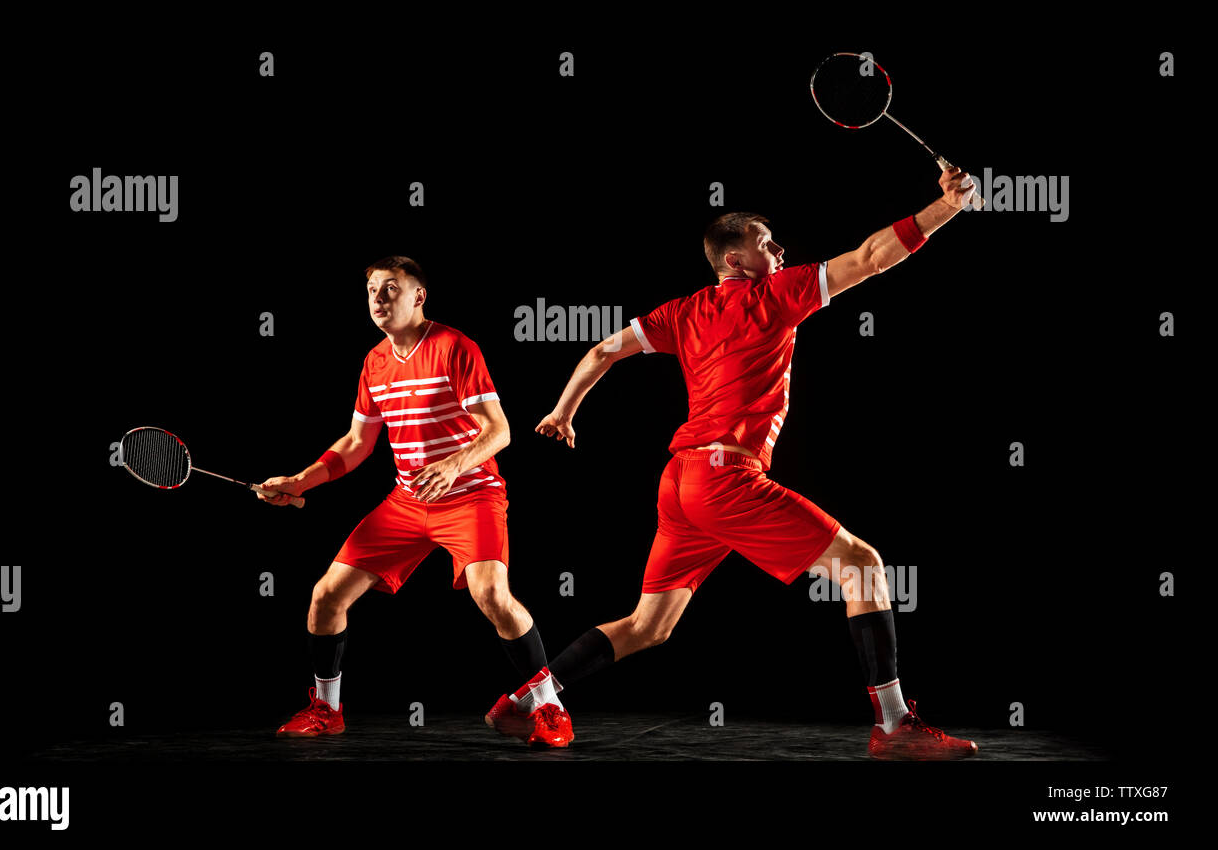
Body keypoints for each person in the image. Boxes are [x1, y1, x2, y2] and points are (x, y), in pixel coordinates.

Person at [490, 167, 980, 758]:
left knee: (650, 626)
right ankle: (895, 726)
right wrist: (946, 206)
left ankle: (526, 701)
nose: (779, 248)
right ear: (736, 259)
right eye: (765, 241)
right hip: (725, 479)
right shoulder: (776, 294)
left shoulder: (683, 312)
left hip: (680, 483)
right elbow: (871, 256)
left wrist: (564, 411)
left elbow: (601, 350)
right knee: (864, 566)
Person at [262, 256, 564, 738]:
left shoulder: (454, 347)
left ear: (418, 296)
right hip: (407, 502)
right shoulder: (375, 362)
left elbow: (500, 431)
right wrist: (300, 481)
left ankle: (548, 708)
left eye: (390, 289)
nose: (378, 300)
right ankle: (326, 710)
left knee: (492, 594)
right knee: (325, 597)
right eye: (371, 291)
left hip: (471, 495)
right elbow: (357, 443)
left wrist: (452, 465)